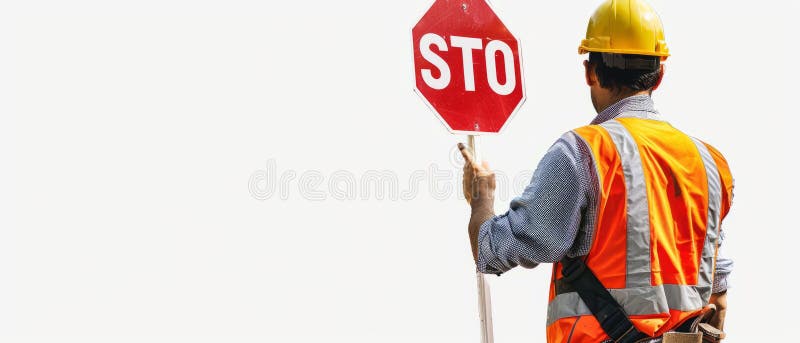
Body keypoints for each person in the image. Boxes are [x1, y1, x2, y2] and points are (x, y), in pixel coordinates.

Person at [459, 0, 733, 342]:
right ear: (660, 75)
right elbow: (718, 296)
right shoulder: (709, 162)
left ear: (590, 72)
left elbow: (493, 249)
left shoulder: (582, 153)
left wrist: (481, 200)